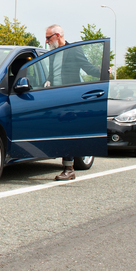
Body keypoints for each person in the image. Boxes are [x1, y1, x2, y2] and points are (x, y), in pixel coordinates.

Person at [44, 24, 100, 181]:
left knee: (66, 130)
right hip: (55, 97)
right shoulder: (53, 52)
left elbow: (87, 68)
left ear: (58, 35)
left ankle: (69, 169)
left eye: (48, 37)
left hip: (69, 97)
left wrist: (103, 72)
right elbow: (52, 72)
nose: (46, 41)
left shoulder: (74, 49)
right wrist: (48, 80)